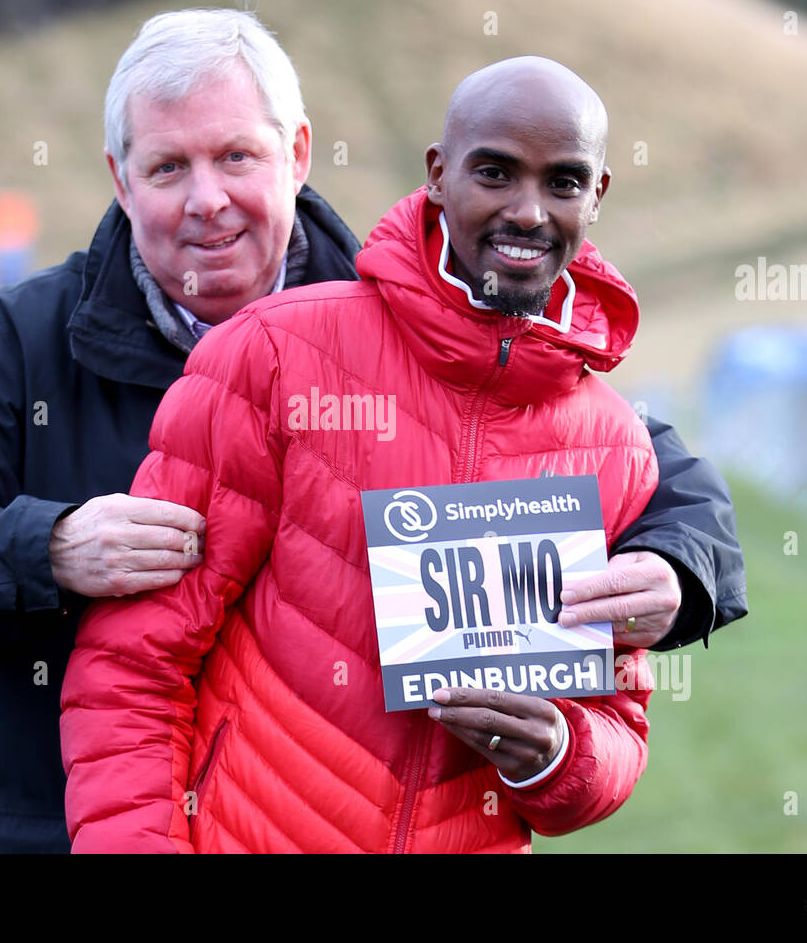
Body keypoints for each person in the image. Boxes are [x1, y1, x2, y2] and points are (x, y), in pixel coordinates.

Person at [0, 9, 745, 854]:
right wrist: (48, 549)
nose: (207, 200)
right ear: (120, 179)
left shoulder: (407, 323)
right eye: (167, 167)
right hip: (38, 824)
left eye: (237, 157)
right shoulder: (25, 338)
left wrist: (677, 574)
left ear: (297, 153)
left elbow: (646, 468)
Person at [60, 56, 709, 853]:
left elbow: (613, 742)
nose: (529, 211)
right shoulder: (273, 353)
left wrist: (559, 754)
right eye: (496, 173)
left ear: (597, 195)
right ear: (438, 175)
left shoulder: (615, 443)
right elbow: (134, 664)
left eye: (564, 183)